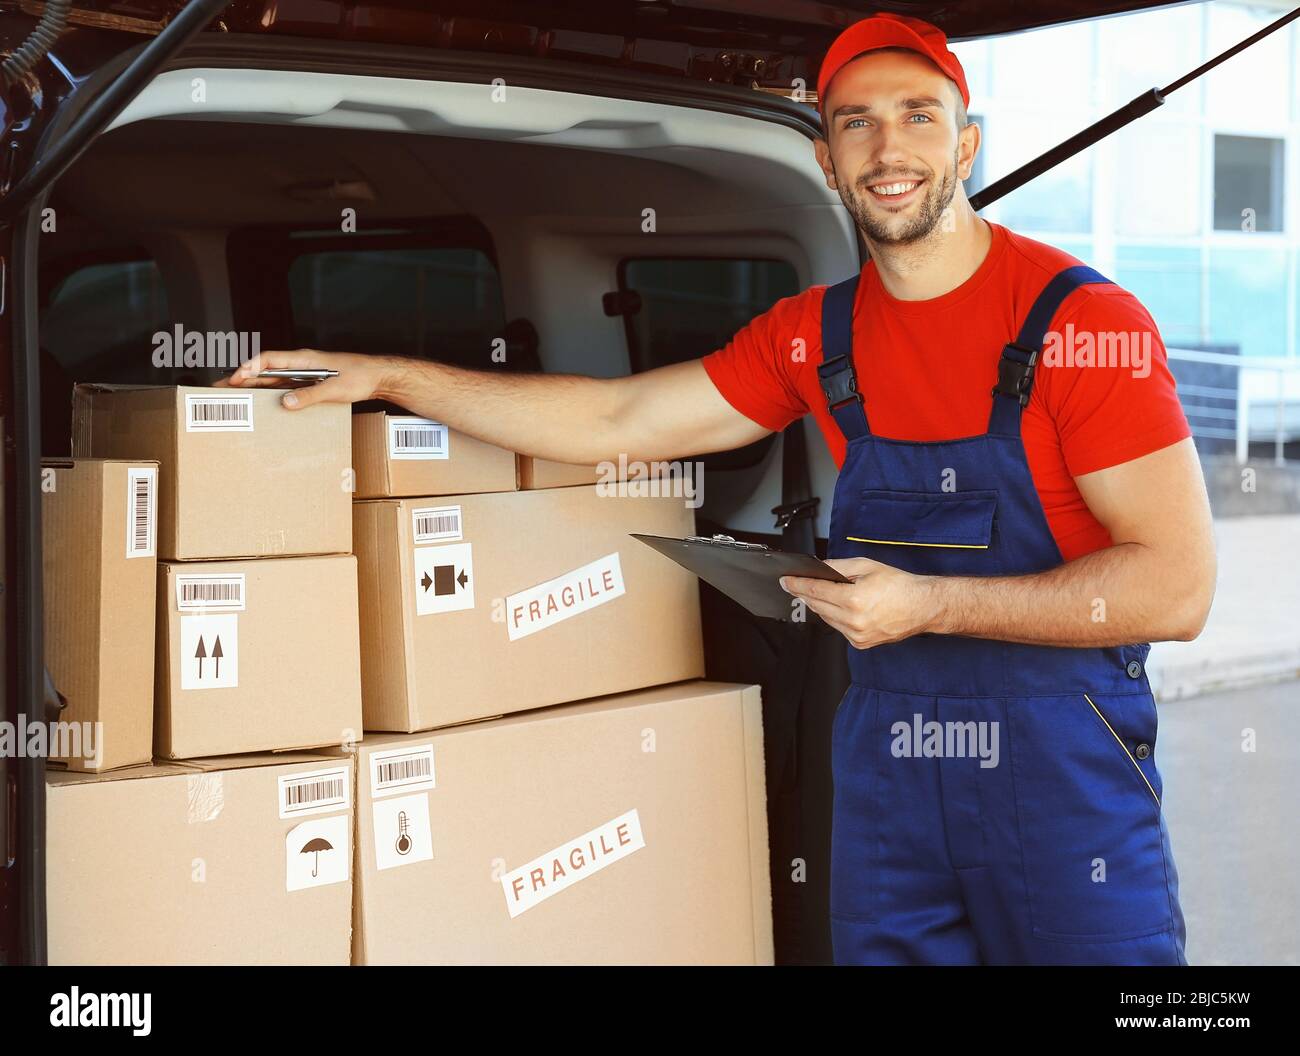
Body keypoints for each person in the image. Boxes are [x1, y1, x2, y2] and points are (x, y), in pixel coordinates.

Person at [221, 12, 1215, 965]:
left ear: (967, 145)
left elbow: (1175, 589)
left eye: (918, 113)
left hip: (1060, 783)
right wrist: (395, 379)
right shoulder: (809, 335)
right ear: (826, 159)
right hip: (886, 775)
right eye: (854, 121)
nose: (887, 145)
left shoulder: (1079, 325)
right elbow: (616, 424)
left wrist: (930, 604)